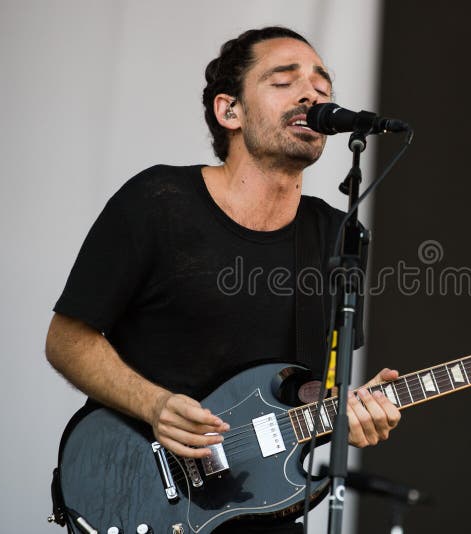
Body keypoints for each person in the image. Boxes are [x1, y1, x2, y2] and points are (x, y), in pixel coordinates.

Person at [45, 26, 401, 533]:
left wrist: (347, 417)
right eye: (284, 80)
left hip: (261, 509)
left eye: (323, 86)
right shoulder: (158, 201)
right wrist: (156, 405)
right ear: (228, 111)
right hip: (140, 494)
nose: (312, 93)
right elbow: (66, 339)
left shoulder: (337, 236)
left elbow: (305, 391)